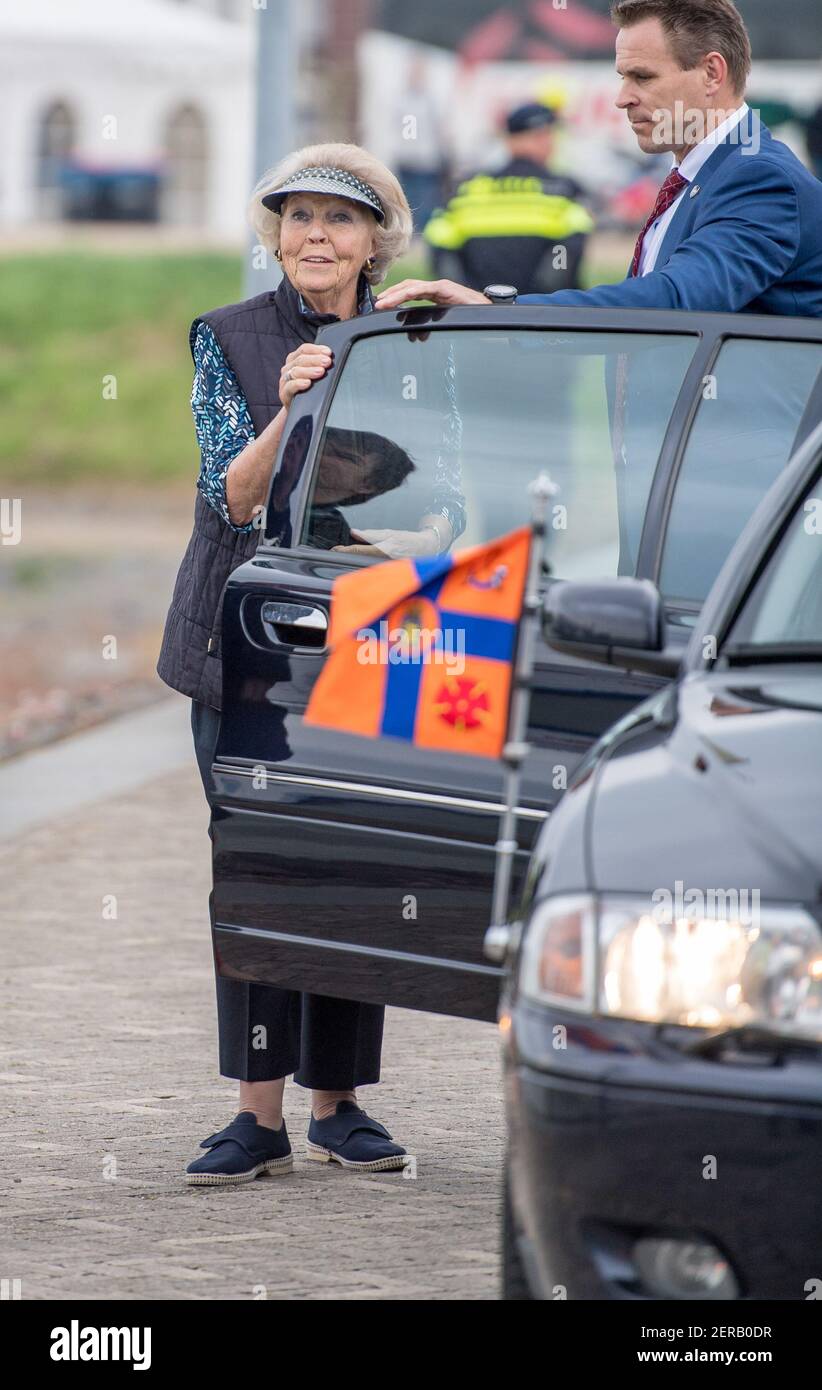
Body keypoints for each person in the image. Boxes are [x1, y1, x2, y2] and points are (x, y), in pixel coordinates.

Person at [157, 143, 441, 1184]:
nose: (316, 234)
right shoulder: (227, 336)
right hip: (244, 644)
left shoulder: (417, 336)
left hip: (372, 631)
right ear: (272, 232)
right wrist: (293, 407)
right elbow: (227, 498)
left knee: (354, 863)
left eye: (341, 218)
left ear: (378, 242)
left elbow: (441, 498)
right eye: (298, 216)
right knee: (259, 864)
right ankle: (255, 1114)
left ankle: (340, 1105)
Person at [377, 0, 822, 318]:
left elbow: (675, 300)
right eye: (622, 77)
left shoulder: (760, 176)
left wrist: (499, 307)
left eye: (642, 77)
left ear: (711, 73)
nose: (622, 99)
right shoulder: (708, 171)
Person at [423, 101, 594, 294]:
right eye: (543, 135)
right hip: (541, 313)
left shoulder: (466, 188)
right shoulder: (565, 188)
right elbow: (570, 249)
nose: (550, 142)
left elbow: (439, 241)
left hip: (477, 314)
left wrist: (465, 294)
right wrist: (538, 298)